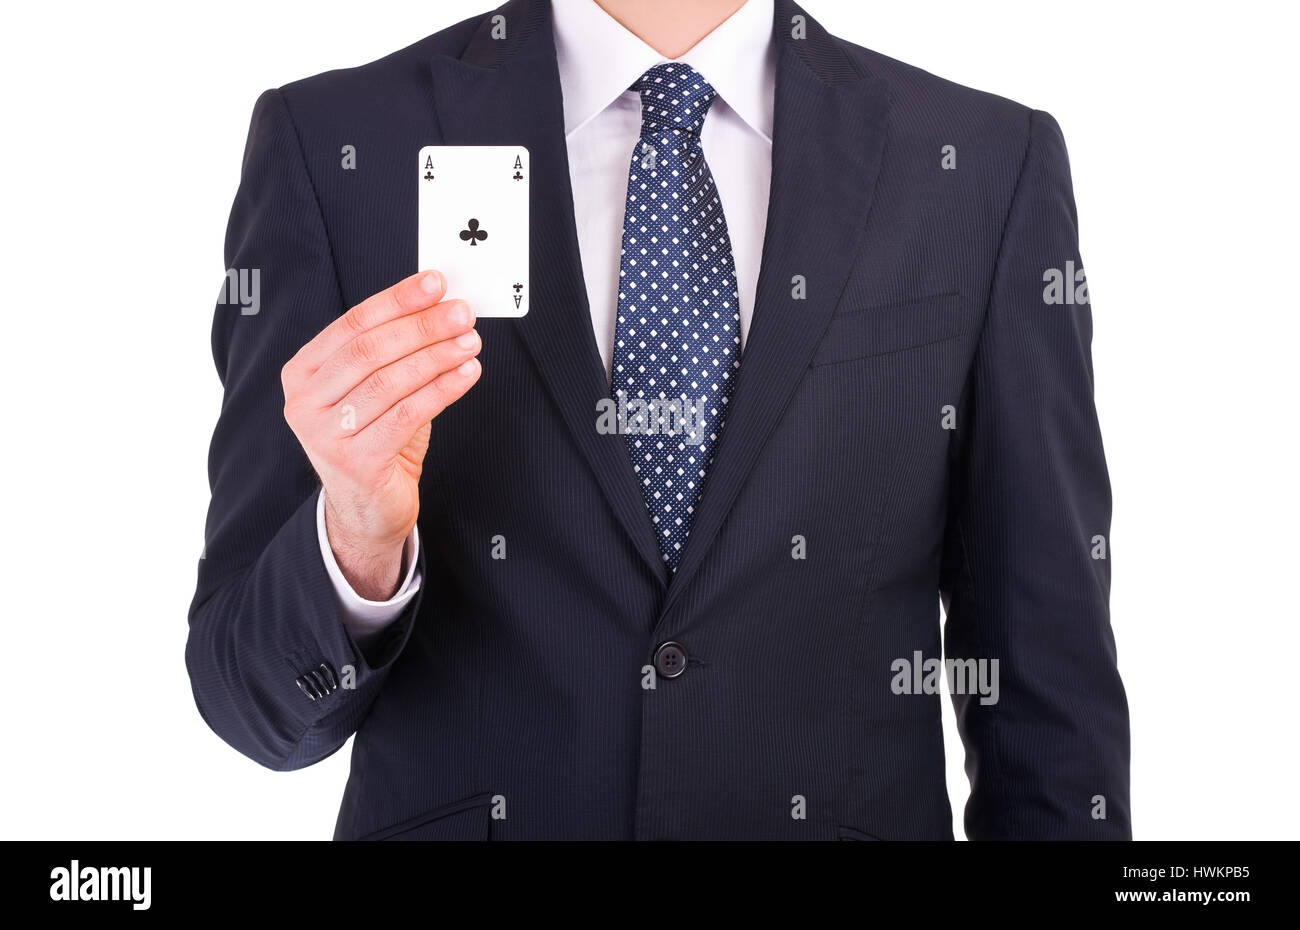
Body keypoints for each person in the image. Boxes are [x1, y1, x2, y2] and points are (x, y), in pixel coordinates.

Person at [187, 0, 1131, 840]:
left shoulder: (982, 168)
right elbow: (252, 704)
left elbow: (1048, 696)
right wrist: (356, 538)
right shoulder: (333, 143)